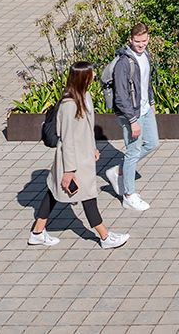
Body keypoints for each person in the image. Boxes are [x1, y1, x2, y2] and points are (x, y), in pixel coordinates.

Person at [28, 62, 128, 249]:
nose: (95, 76)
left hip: (83, 156)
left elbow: (86, 128)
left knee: (53, 192)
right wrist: (69, 171)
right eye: (92, 74)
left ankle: (37, 232)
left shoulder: (84, 96)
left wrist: (92, 148)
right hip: (73, 161)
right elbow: (67, 139)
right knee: (88, 195)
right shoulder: (69, 105)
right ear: (84, 78)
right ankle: (105, 236)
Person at [105, 22, 157, 211]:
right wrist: (133, 120)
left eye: (144, 41)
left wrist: (151, 102)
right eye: (137, 41)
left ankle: (118, 170)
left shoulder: (145, 56)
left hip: (144, 109)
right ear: (130, 39)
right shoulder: (124, 63)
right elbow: (121, 96)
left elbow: (146, 82)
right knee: (133, 152)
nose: (141, 44)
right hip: (130, 114)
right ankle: (128, 195)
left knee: (152, 143)